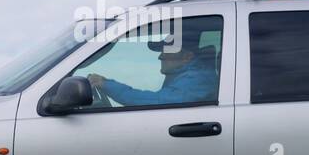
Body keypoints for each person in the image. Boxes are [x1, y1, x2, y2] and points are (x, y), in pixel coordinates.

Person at [86, 27, 218, 106]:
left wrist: (106, 84)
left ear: (187, 57)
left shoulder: (198, 79)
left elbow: (155, 101)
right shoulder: (187, 76)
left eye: (167, 51)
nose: (160, 56)